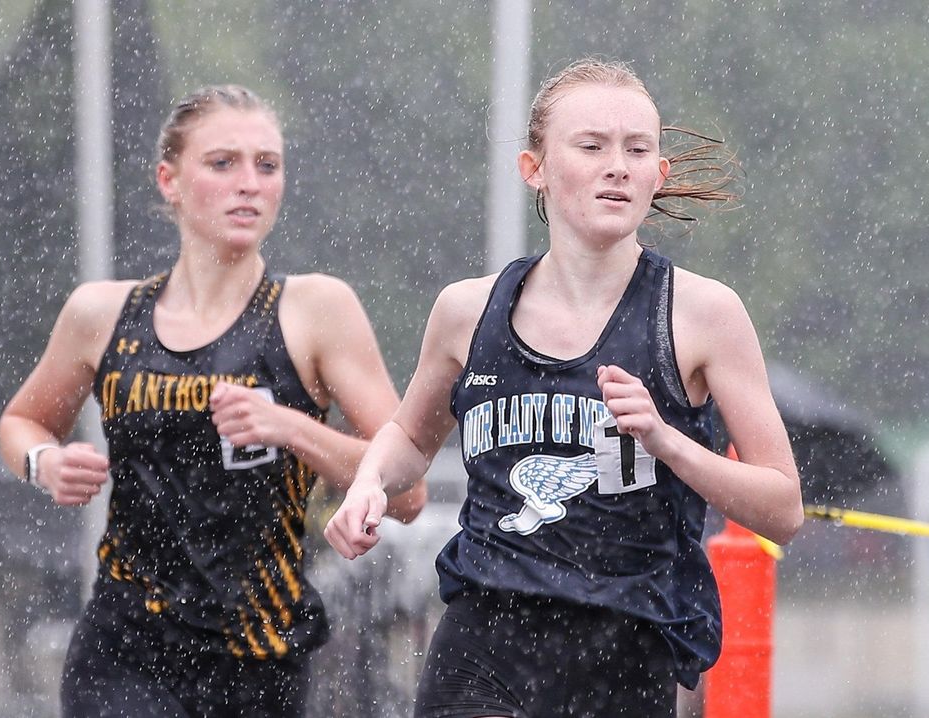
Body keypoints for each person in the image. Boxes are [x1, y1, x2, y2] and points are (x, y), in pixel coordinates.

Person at [324, 58, 803, 718]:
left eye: (637, 149)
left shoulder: (703, 315)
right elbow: (410, 435)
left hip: (623, 649)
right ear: (535, 169)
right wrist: (370, 481)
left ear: (657, 174)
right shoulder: (467, 310)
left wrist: (669, 443)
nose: (618, 165)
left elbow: (784, 509)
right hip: (484, 643)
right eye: (591, 146)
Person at [0, 84, 425, 718]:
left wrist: (288, 427)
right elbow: (22, 421)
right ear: (169, 181)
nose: (249, 183)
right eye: (223, 163)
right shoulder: (102, 312)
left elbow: (408, 491)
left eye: (267, 165)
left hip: (257, 654)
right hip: (125, 644)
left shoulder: (317, 310)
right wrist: (43, 463)